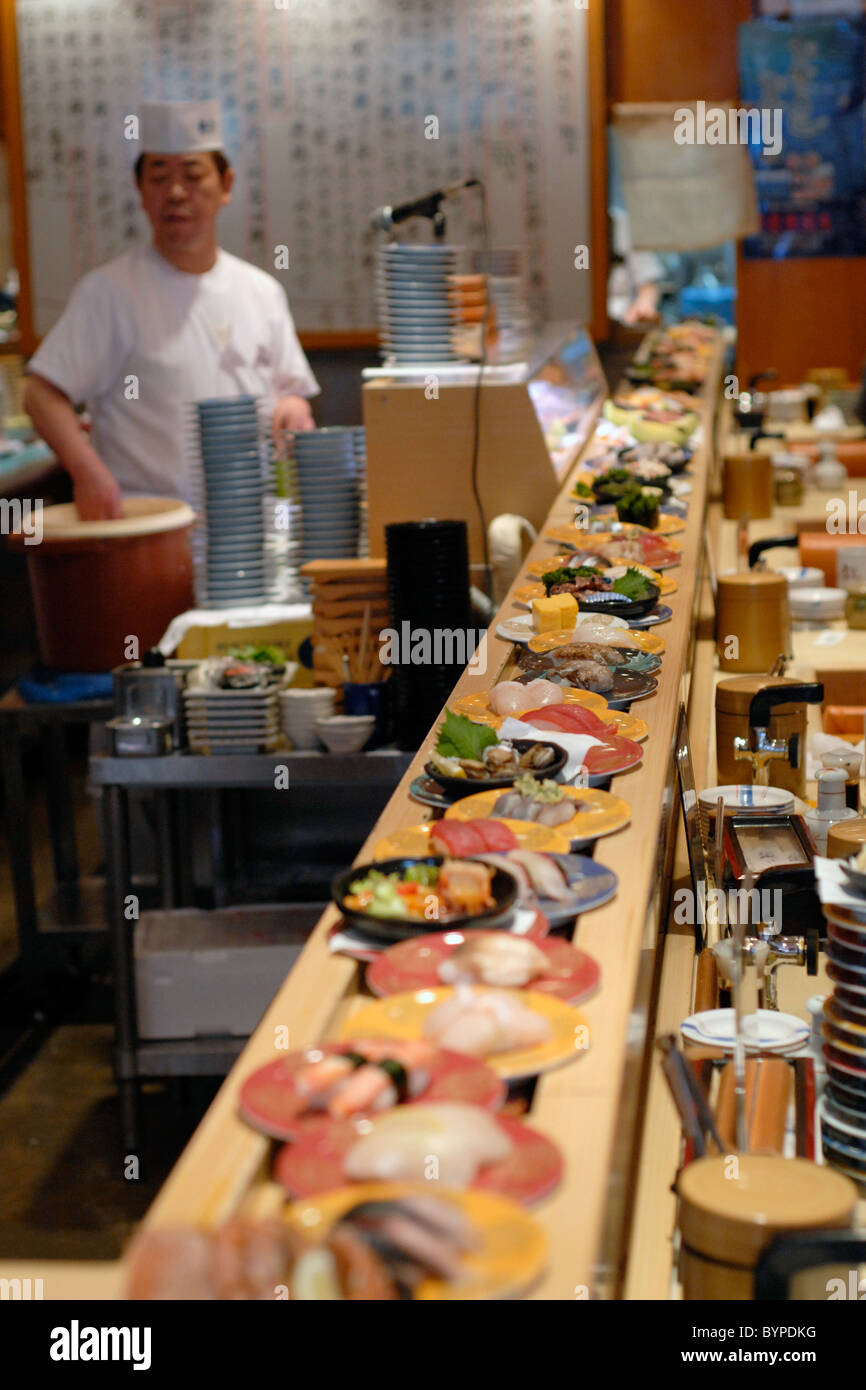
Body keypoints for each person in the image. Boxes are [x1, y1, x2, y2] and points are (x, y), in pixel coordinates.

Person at [25, 100, 319, 520]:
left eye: (194, 175)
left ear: (226, 184)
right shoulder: (108, 292)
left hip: (251, 526)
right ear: (140, 191)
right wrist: (87, 472)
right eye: (159, 177)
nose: (176, 193)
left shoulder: (262, 291)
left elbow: (291, 392)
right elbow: (41, 394)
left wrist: (294, 408)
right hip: (149, 526)